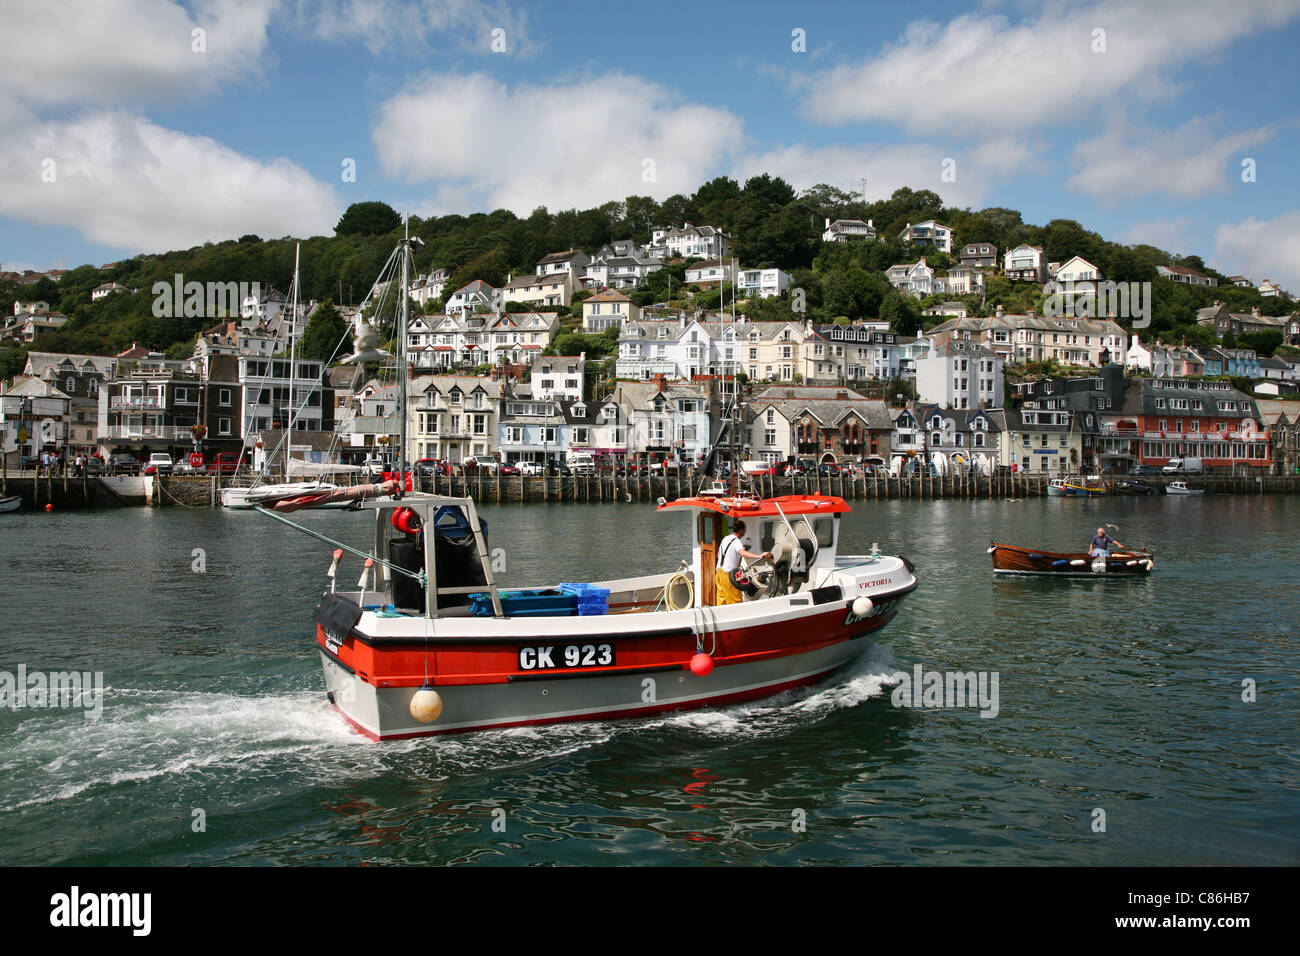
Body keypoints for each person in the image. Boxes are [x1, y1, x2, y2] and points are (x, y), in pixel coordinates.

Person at [715, 519, 772, 606]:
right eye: (745, 529)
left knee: (722, 599)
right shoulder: (736, 541)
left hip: (719, 572)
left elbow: (718, 555)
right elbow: (742, 553)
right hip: (728, 575)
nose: (745, 531)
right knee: (735, 600)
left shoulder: (725, 538)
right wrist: (759, 556)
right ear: (741, 530)